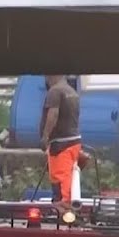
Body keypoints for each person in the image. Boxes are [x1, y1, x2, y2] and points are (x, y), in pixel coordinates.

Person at [39, 75, 82, 209]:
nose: (45, 78)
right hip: (73, 141)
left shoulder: (55, 91)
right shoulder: (72, 91)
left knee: (60, 180)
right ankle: (67, 206)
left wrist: (45, 136)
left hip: (60, 145)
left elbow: (53, 114)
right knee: (69, 178)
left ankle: (63, 210)